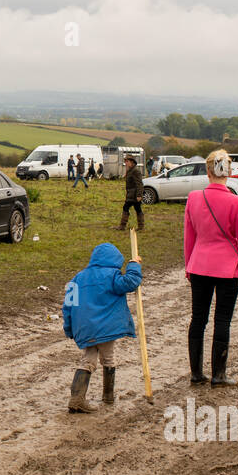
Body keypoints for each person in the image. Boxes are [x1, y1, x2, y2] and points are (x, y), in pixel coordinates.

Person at [183, 150, 238, 387]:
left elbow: (190, 237)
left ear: (208, 172)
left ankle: (196, 373)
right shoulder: (237, 203)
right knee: (222, 321)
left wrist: (189, 265)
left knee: (198, 319)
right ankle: (219, 375)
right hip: (228, 269)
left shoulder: (193, 198)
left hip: (198, 265)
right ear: (228, 173)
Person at [61, 242, 143, 412]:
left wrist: (69, 329)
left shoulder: (77, 278)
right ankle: (108, 396)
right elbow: (131, 282)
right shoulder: (112, 276)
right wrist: (134, 264)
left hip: (85, 328)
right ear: (115, 260)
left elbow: (67, 306)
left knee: (88, 359)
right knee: (108, 358)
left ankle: (77, 398)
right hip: (106, 329)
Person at [116, 155, 145, 231]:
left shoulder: (136, 171)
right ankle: (140, 227)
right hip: (130, 194)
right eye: (125, 161)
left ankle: (123, 226)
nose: (125, 163)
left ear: (132, 162)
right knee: (136, 209)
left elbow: (139, 184)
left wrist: (139, 195)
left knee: (128, 208)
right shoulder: (130, 170)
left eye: (127, 161)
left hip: (134, 195)